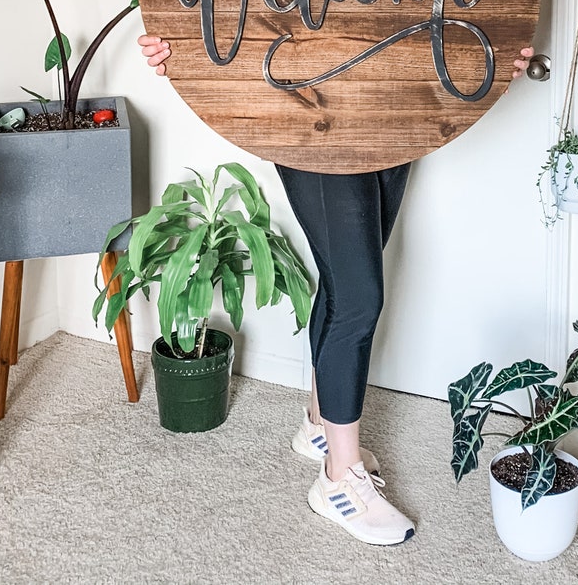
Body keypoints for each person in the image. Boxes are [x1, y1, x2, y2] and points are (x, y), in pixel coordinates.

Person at [138, 35, 536, 546]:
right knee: (358, 297)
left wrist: (490, 50)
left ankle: (319, 425)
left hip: (392, 100)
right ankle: (338, 479)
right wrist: (182, 46)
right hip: (307, 105)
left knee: (343, 275)